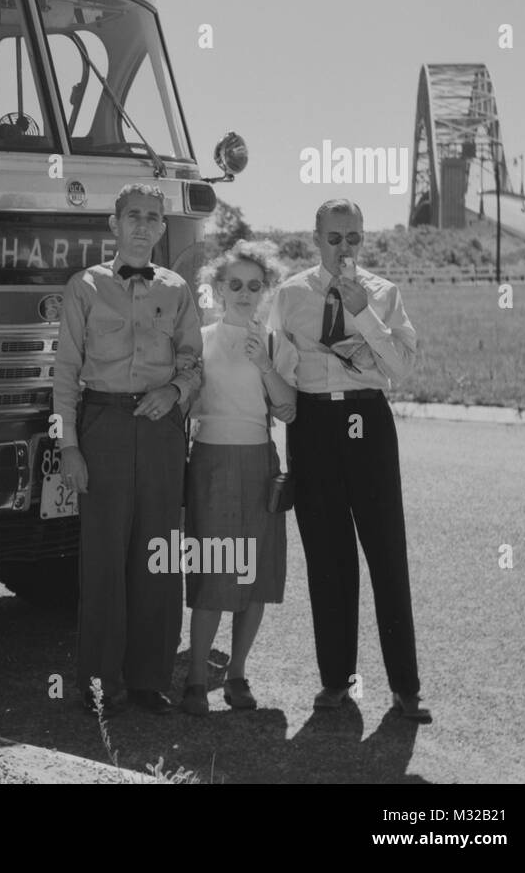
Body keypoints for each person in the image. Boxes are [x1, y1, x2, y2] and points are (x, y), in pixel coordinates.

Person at [266, 198, 431, 723]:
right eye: (334, 237)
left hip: (368, 423)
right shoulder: (290, 294)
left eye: (354, 237)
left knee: (386, 552)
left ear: (365, 239)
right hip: (313, 425)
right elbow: (277, 363)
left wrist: (362, 312)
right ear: (315, 238)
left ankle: (406, 688)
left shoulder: (384, 294)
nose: (344, 248)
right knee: (328, 557)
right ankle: (336, 681)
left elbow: (402, 367)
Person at [53, 182, 203, 716]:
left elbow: (193, 361)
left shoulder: (178, 289)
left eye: (153, 217)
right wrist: (69, 446)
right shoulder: (84, 287)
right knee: (104, 557)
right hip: (104, 426)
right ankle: (100, 682)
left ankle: (149, 679)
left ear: (163, 228)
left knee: (158, 555)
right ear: (114, 225)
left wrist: (175, 392)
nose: (143, 225)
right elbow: (66, 373)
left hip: (161, 427)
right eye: (132, 215)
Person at [180, 240, 298, 716]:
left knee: (255, 575)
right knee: (212, 573)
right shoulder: (200, 339)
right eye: (235, 284)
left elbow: (288, 409)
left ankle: (237, 675)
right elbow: (186, 406)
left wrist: (265, 365)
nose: (245, 293)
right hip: (209, 462)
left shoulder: (273, 341)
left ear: (265, 290)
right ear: (217, 289)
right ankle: (193, 681)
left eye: (255, 285)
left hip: (259, 462)